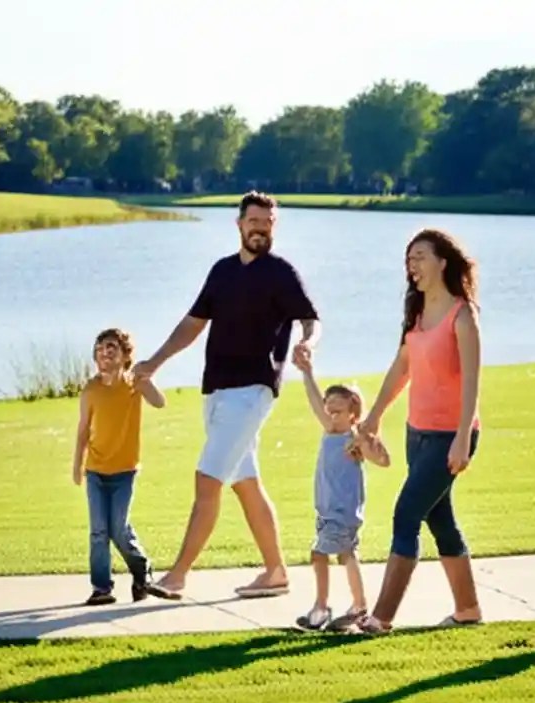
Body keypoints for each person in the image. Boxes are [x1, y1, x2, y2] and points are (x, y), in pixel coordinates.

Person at [132, 191, 321, 600]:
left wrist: (308, 343)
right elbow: (192, 324)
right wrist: (154, 361)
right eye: (254, 221)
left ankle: (178, 575)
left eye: (268, 223)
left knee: (208, 478)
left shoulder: (280, 273)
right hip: (216, 391)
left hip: (253, 390)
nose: (260, 228)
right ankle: (275, 572)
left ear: (274, 227)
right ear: (239, 224)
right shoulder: (221, 271)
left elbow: (310, 318)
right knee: (244, 481)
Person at [354, 228, 483, 635]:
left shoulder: (463, 316)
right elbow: (402, 368)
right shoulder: (417, 313)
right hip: (418, 433)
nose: (413, 266)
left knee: (406, 513)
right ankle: (468, 610)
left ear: (443, 262)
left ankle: (381, 618)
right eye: (409, 259)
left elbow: (472, 383)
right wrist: (374, 416)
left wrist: (464, 436)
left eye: (421, 257)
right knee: (439, 519)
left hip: (451, 435)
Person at [293, 352, 390, 631]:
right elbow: (314, 401)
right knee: (347, 554)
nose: (330, 415)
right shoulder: (330, 432)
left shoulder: (353, 441)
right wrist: (307, 372)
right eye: (328, 409)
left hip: (341, 511)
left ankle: (321, 608)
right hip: (327, 510)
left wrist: (366, 439)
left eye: (337, 411)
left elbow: (384, 461)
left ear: (353, 415)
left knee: (319, 554)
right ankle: (359, 605)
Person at [72, 328, 166, 606]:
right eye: (100, 348)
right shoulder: (91, 390)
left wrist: (145, 381)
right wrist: (77, 465)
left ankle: (142, 571)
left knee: (118, 528)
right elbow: (83, 430)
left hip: (125, 471)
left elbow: (160, 402)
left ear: (125, 355)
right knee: (99, 531)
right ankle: (102, 588)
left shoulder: (133, 385)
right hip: (96, 471)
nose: (105, 352)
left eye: (112, 347)